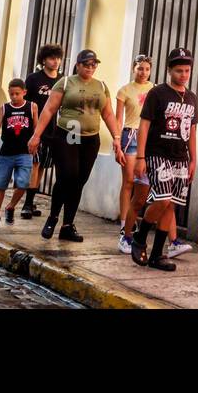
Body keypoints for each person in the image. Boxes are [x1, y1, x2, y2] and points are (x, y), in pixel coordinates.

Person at [26, 49, 125, 242]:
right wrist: (36, 135)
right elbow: (49, 110)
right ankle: (53, 217)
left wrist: (117, 136)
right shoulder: (65, 82)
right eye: (86, 64)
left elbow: (108, 114)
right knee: (67, 176)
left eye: (93, 64)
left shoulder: (101, 86)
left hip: (90, 138)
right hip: (69, 134)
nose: (90, 67)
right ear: (78, 65)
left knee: (79, 180)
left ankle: (67, 225)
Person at [129, 48, 198, 270]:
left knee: (172, 206)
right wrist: (140, 157)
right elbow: (145, 125)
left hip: (181, 157)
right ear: (169, 70)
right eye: (179, 70)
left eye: (187, 70)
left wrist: (193, 160)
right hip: (157, 154)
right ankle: (140, 239)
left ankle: (158, 255)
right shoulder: (158, 94)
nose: (183, 75)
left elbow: (192, 130)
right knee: (162, 200)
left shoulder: (191, 97)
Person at [0, 79, 38, 229]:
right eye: (11, 94)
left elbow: (36, 128)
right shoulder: (4, 108)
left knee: (23, 184)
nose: (14, 97)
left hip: (25, 153)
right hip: (6, 153)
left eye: (17, 94)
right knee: (0, 185)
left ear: (24, 92)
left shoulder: (32, 107)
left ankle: (11, 206)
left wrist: (36, 143)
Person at [114, 54, 153, 253]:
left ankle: (132, 223)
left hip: (148, 138)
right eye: (140, 68)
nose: (143, 72)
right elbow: (118, 119)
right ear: (133, 68)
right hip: (130, 136)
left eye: (146, 69)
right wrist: (117, 142)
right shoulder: (124, 91)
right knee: (128, 181)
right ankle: (124, 225)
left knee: (143, 186)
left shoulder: (154, 90)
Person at [19, 44, 63, 219]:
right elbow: (25, 104)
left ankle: (31, 200)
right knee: (34, 164)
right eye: (52, 58)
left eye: (58, 58)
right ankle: (27, 203)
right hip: (34, 129)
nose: (56, 61)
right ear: (44, 60)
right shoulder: (33, 79)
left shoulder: (62, 81)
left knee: (43, 165)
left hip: (53, 130)